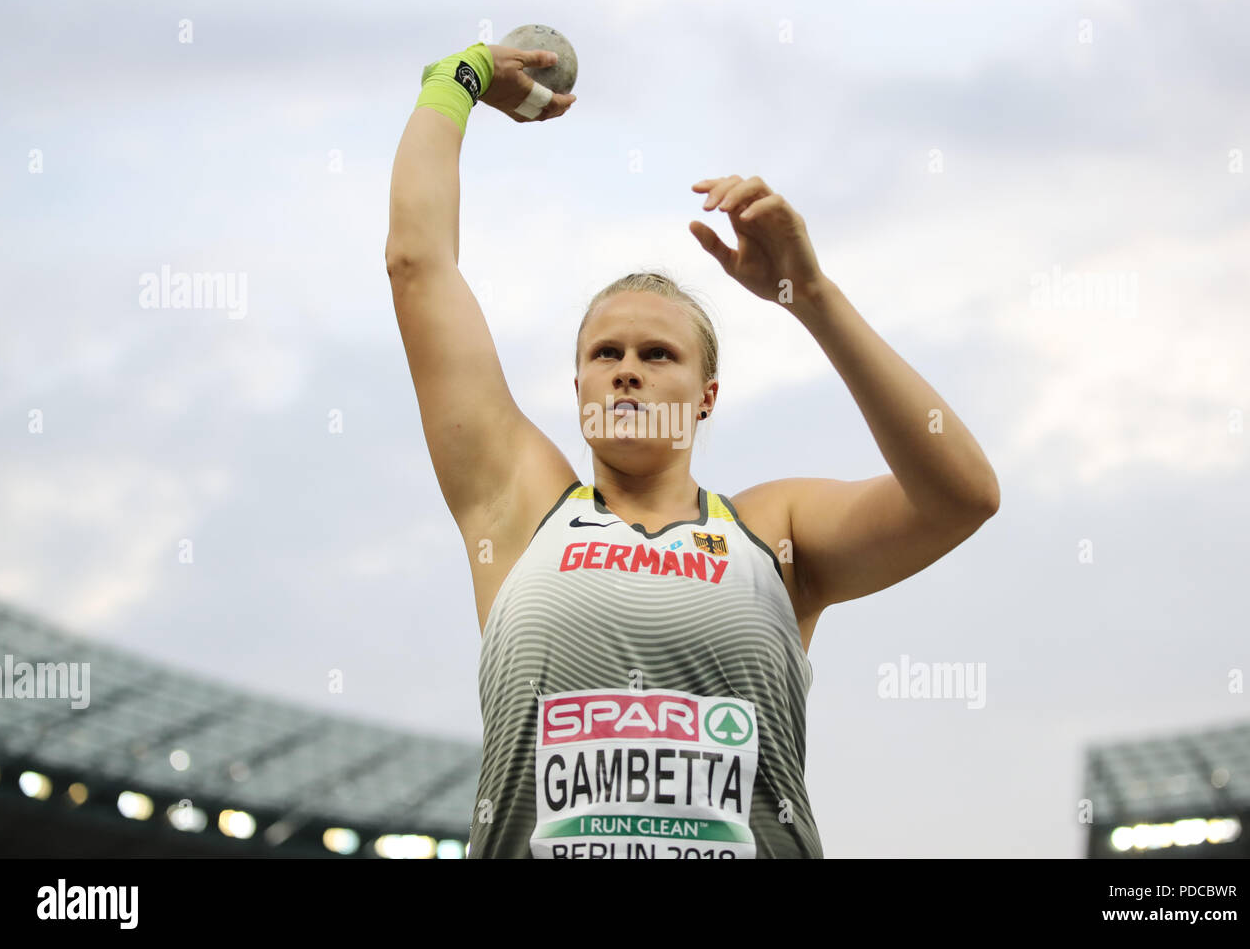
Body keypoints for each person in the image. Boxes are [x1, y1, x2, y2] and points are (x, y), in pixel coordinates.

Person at [386, 42, 1000, 859]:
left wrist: (811, 298)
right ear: (578, 391)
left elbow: (962, 496)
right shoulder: (518, 502)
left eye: (658, 354)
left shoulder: (774, 530)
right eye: (606, 355)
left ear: (706, 394)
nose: (628, 372)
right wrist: (455, 80)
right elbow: (417, 266)